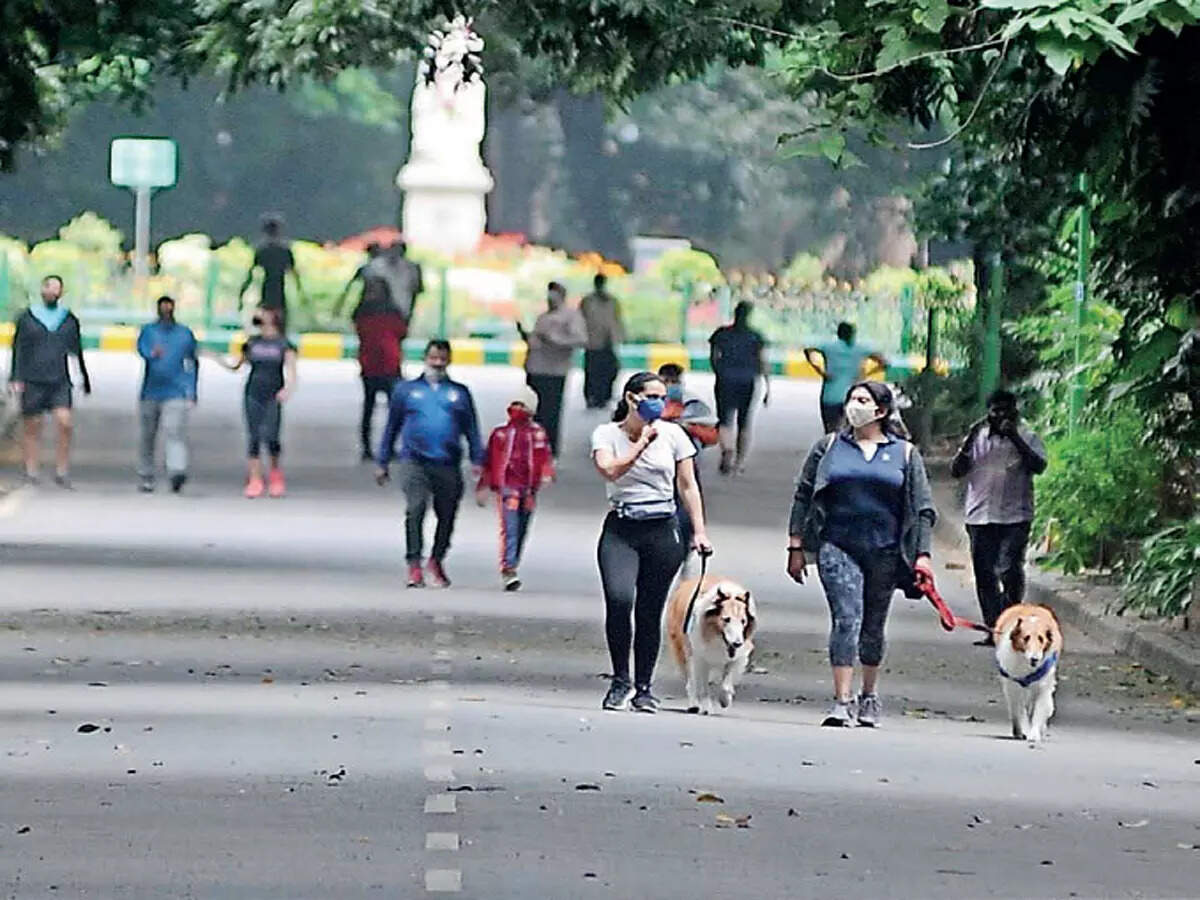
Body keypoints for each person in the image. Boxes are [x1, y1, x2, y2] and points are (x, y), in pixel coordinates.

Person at [787, 381, 936, 728]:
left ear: (881, 411)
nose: (855, 406)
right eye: (853, 399)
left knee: (873, 625)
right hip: (837, 544)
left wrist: (922, 555)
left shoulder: (904, 454)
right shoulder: (829, 448)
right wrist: (797, 545)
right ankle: (842, 699)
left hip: (885, 550)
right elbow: (804, 494)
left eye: (864, 401)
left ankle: (869, 694)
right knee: (846, 617)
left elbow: (923, 508)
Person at [591, 371, 712, 714]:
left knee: (649, 609)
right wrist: (641, 443)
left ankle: (644, 686)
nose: (660, 402)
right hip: (621, 528)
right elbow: (610, 470)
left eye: (664, 396)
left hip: (662, 530)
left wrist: (699, 531)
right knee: (619, 599)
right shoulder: (607, 434)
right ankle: (620, 680)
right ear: (632, 398)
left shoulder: (674, 435)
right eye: (653, 396)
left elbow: (688, 485)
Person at [376, 340, 484, 589]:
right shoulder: (406, 391)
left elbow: (472, 429)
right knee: (415, 509)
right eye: (433, 357)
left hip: (447, 462)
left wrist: (478, 460)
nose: (437, 362)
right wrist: (383, 461)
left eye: (442, 358)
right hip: (414, 460)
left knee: (446, 514)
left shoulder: (459, 393)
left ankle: (436, 559)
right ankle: (414, 563)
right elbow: (391, 427)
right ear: (425, 358)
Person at [951, 390, 1048, 646]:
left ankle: (1012, 620)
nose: (1001, 416)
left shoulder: (1027, 436)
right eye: (995, 411)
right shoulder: (977, 439)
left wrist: (1014, 437)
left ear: (1015, 412)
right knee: (985, 574)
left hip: (1015, 515)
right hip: (980, 516)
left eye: (1007, 410)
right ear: (988, 413)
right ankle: (994, 628)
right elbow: (956, 470)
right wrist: (969, 439)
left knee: (1009, 569)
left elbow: (1038, 466)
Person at [8, 275, 91, 488]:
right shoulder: (27, 318)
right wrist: (15, 377)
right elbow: (18, 349)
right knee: (32, 426)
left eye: (57, 289)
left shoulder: (68, 319)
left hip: (59, 381)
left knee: (64, 422)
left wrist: (84, 377)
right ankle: (31, 470)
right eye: (49, 287)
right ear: (42, 290)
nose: (52, 292)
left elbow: (76, 351)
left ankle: (61, 470)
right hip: (33, 380)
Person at [475, 386, 555, 591]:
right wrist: (483, 485)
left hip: (529, 490)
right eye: (515, 404)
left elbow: (544, 456)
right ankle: (508, 568)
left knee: (522, 528)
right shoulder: (501, 434)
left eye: (523, 405)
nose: (518, 408)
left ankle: (513, 561)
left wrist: (546, 473)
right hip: (507, 489)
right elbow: (489, 462)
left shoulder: (537, 434)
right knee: (509, 528)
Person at [334, 244, 410, 461]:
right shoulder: (393, 313)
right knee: (394, 411)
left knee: (369, 409)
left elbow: (360, 331)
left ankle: (368, 448)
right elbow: (401, 332)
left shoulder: (362, 313)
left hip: (370, 365)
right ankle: (390, 447)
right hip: (389, 365)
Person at [216, 309, 297, 499]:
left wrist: (288, 389)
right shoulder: (252, 342)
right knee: (253, 436)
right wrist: (217, 359)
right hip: (253, 393)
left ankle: (276, 475)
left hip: (273, 394)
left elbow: (292, 370)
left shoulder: (284, 344)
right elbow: (236, 366)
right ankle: (254, 478)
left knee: (272, 436)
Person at [657, 363, 718, 570]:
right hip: (661, 467)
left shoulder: (691, 402)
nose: (669, 385)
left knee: (685, 506)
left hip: (686, 463)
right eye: (666, 380)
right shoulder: (650, 400)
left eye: (672, 381)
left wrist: (685, 426)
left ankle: (688, 542)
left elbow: (710, 431)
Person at [136, 296, 198, 493]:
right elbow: (143, 350)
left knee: (175, 431)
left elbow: (192, 362)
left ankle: (176, 470)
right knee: (148, 435)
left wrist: (191, 389)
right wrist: (152, 353)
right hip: (151, 391)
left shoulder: (185, 334)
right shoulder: (149, 332)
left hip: (176, 391)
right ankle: (146, 474)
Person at [519, 282, 587, 457]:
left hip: (555, 370)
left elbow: (581, 339)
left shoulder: (571, 316)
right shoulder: (543, 317)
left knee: (551, 412)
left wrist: (555, 340)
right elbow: (535, 342)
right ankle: (534, 446)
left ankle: (549, 449)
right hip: (536, 368)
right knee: (535, 411)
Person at [708, 301, 770, 475]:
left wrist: (719, 372)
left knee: (724, 419)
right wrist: (767, 387)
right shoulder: (755, 336)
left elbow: (713, 357)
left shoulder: (721, 334)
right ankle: (739, 463)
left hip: (725, 379)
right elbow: (762, 362)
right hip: (747, 381)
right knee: (744, 422)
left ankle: (727, 447)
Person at [804, 322, 887, 433]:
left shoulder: (829, 347)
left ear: (838, 333)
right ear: (853, 334)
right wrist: (866, 374)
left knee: (831, 432)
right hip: (854, 398)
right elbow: (885, 363)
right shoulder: (861, 349)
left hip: (830, 397)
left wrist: (820, 370)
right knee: (851, 434)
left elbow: (808, 349)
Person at [238, 215, 304, 327]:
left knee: (265, 319)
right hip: (280, 289)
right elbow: (294, 273)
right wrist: (301, 292)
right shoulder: (284, 250)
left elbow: (251, 274)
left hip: (266, 290)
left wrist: (242, 293)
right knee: (280, 320)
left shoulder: (262, 250)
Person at [581, 274, 624, 409]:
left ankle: (604, 396)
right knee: (592, 371)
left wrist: (618, 337)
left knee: (610, 370)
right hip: (592, 343)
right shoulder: (587, 301)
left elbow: (616, 320)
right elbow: (581, 321)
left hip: (608, 343)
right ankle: (592, 397)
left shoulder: (611, 301)